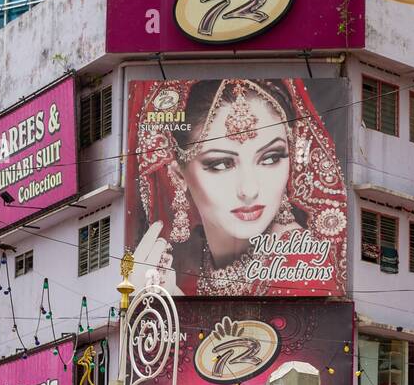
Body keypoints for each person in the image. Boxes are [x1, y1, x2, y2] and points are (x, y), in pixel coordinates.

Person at [131, 77, 348, 296]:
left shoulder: (304, 264)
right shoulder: (181, 259)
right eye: (222, 164)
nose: (249, 189)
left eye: (271, 158)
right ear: (179, 176)